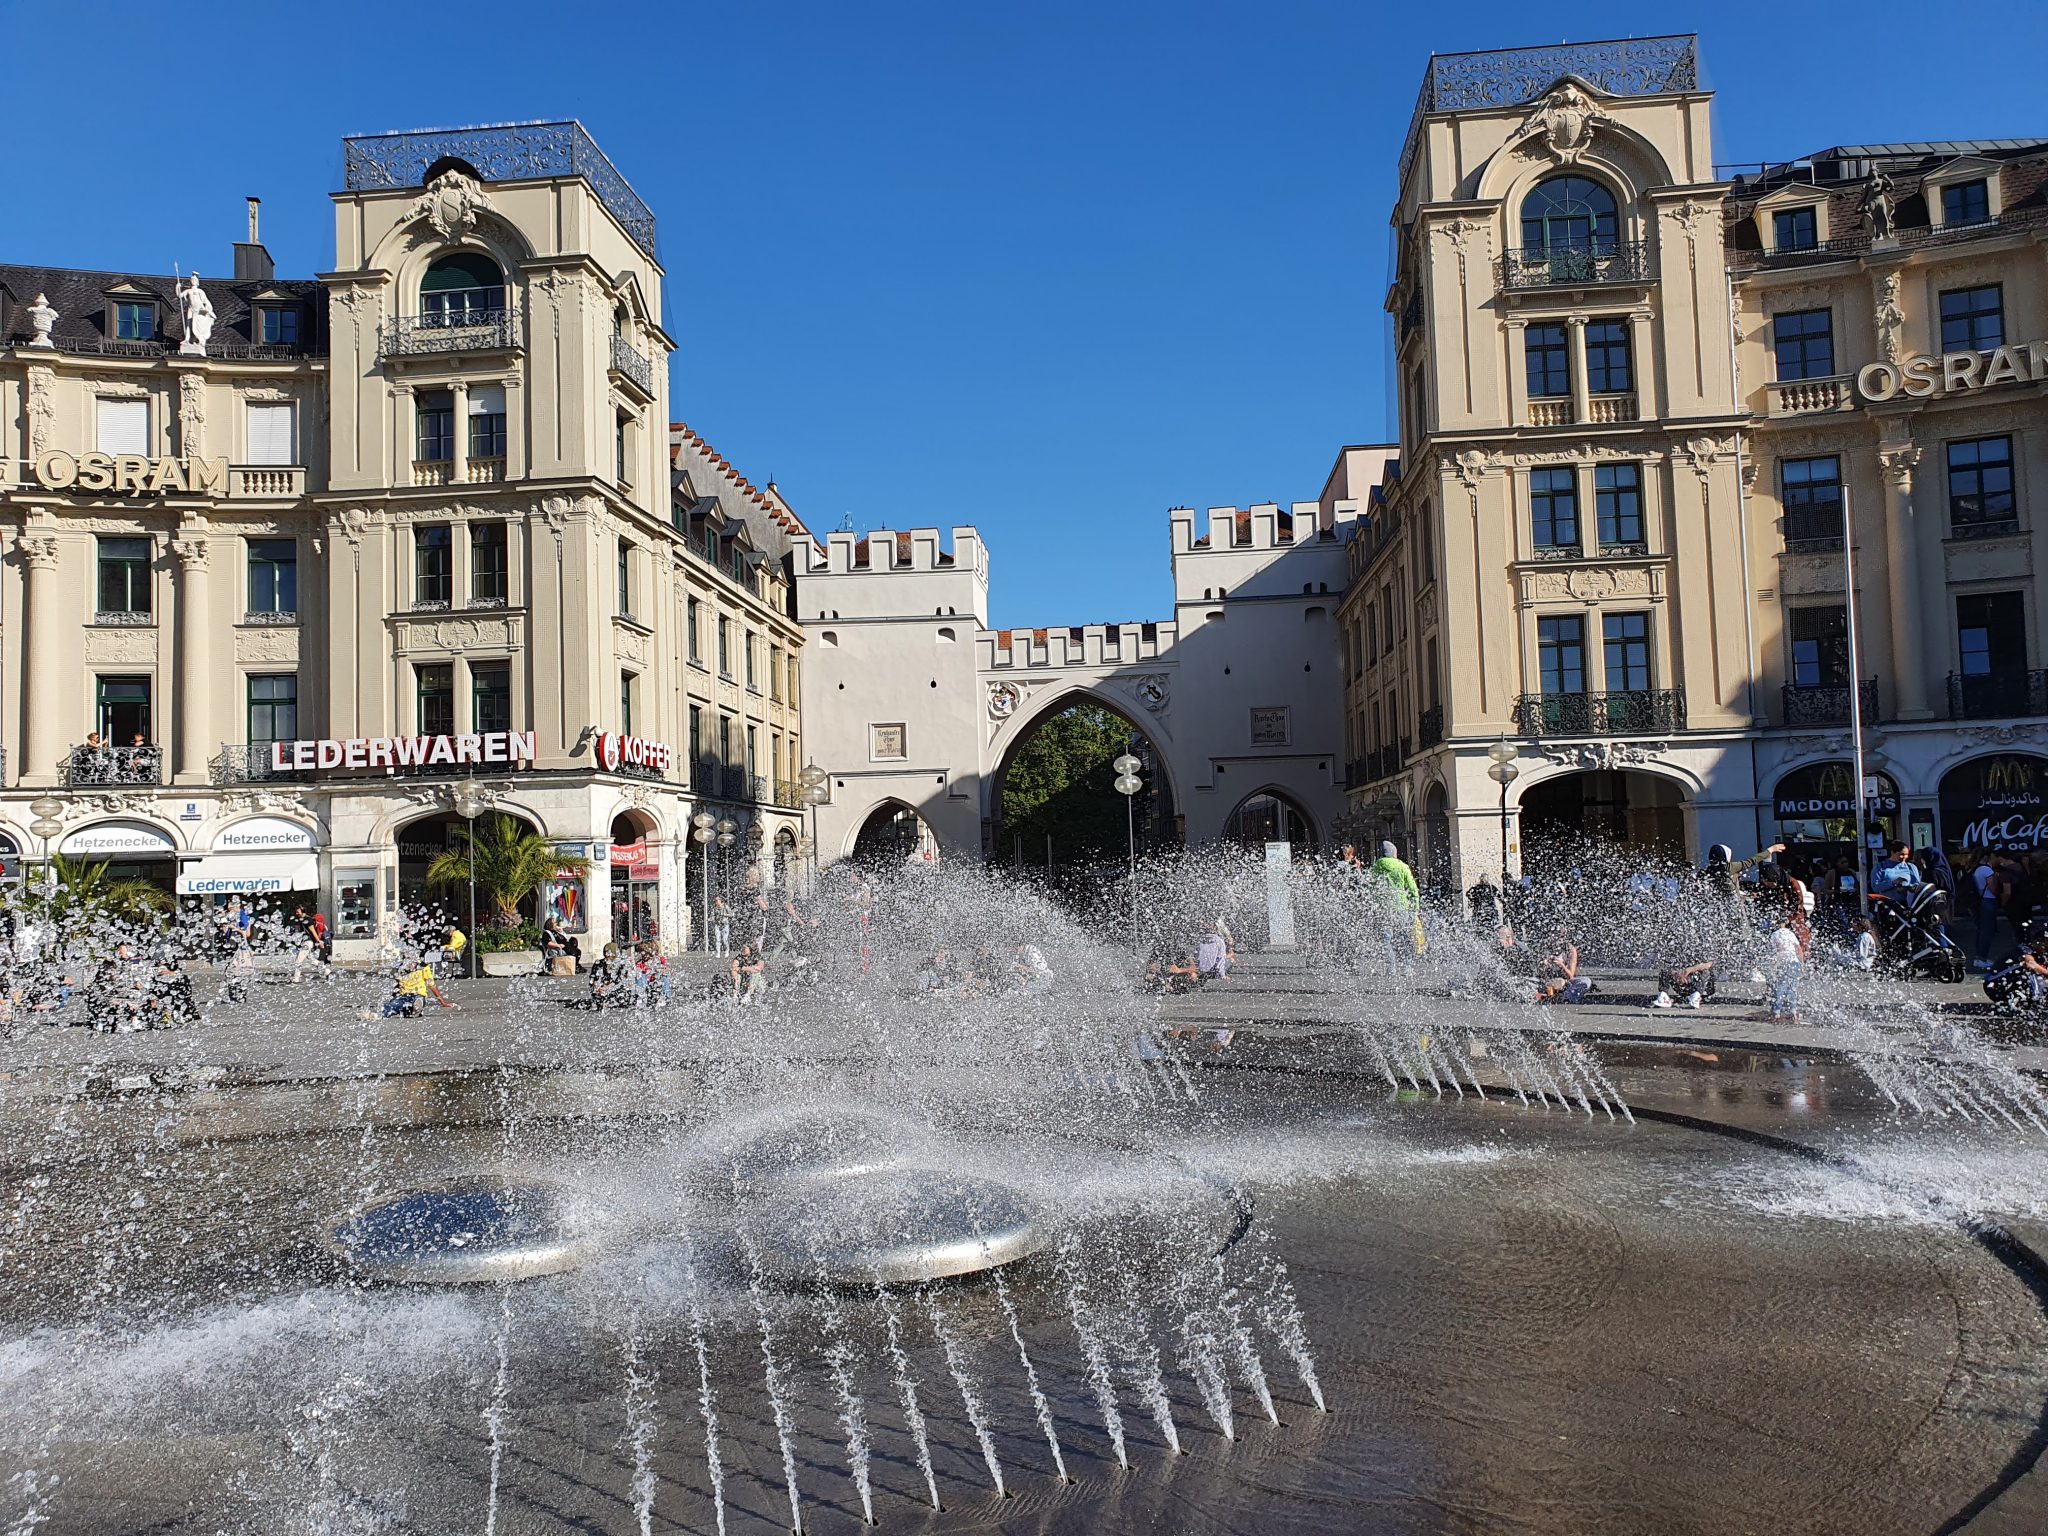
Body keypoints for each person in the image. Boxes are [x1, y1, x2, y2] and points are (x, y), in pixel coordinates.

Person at [371, 960, 453, 1018]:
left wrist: (443, 1003)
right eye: (408, 959)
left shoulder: (423, 967)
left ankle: (416, 1009)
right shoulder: (401, 968)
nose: (409, 963)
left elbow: (432, 986)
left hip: (419, 994)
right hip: (404, 996)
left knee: (418, 1000)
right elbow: (397, 986)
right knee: (394, 1004)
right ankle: (378, 1015)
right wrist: (393, 997)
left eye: (412, 960)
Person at [1534, 933, 1592, 1004]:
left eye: (1560, 937)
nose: (1556, 940)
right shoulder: (1543, 947)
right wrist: (1542, 965)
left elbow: (1570, 976)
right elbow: (1537, 974)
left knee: (1586, 981)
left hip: (1565, 984)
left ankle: (1562, 997)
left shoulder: (1569, 949)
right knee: (1525, 982)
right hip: (1545, 982)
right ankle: (1549, 996)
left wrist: (1561, 966)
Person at [1651, 958, 1715, 1010]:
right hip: (1682, 983)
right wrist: (1676, 974)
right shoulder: (1677, 948)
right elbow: (1664, 963)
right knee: (1665, 971)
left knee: (1706, 971)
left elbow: (1710, 964)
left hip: (1702, 987)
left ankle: (1696, 997)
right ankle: (1664, 996)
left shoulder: (1701, 948)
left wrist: (1690, 970)